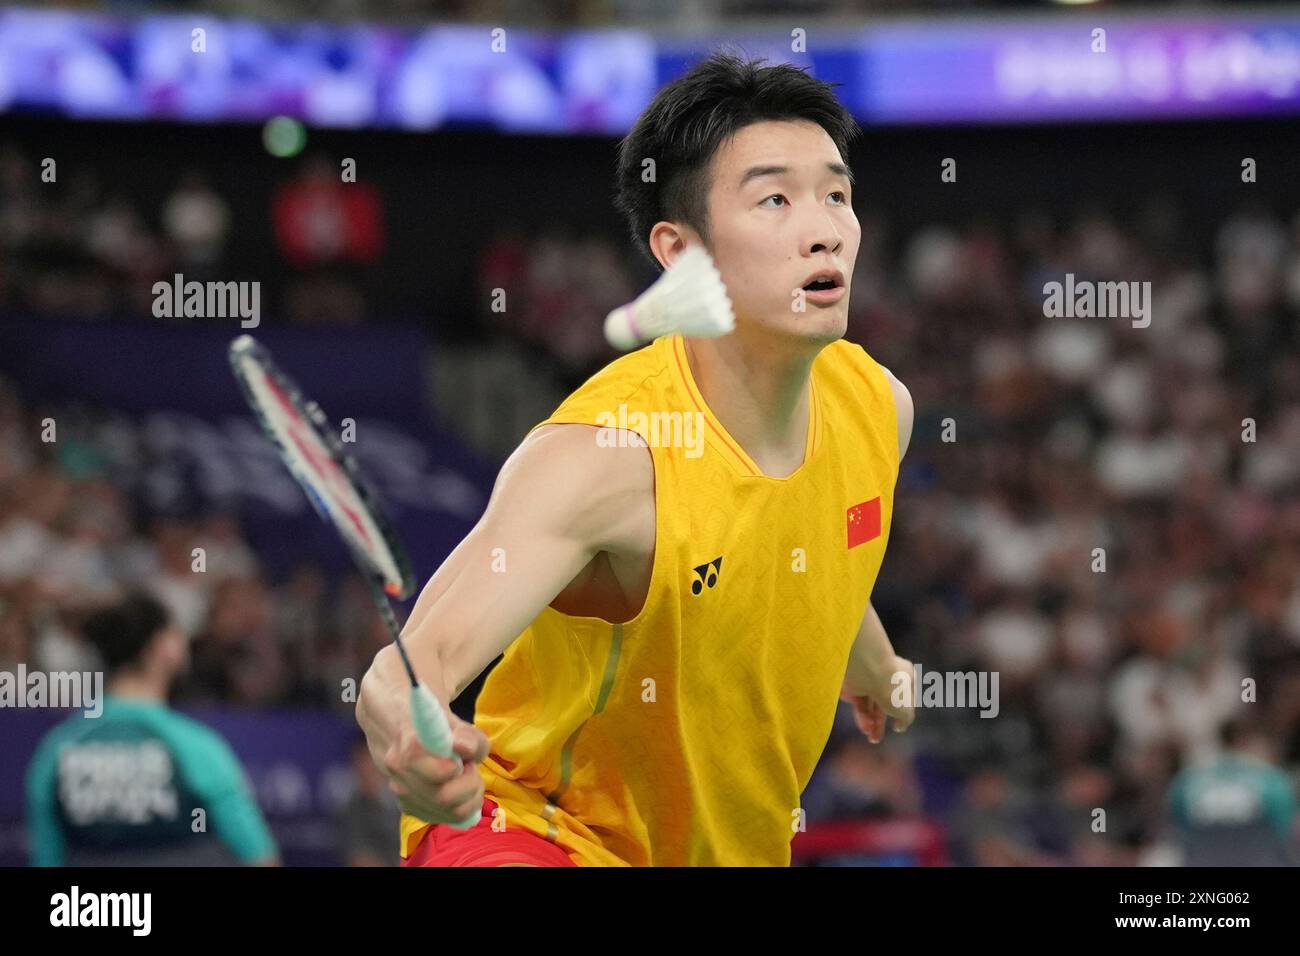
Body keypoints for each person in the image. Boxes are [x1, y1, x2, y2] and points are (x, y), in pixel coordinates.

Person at [357, 52, 917, 867]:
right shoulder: (608, 455)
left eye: (837, 194)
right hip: (535, 831)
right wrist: (409, 734)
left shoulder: (879, 411)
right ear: (680, 251)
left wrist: (875, 667)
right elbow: (412, 665)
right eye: (775, 199)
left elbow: (818, 556)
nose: (824, 226)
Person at [25, 593, 279, 866]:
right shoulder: (193, 746)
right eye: (176, 633)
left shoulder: (57, 748)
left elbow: (46, 858)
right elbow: (259, 858)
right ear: (162, 647)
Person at [1167, 718, 1296, 865]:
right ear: (1248, 742)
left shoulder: (1186, 781)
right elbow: (1284, 832)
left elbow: (1178, 829)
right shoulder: (1271, 781)